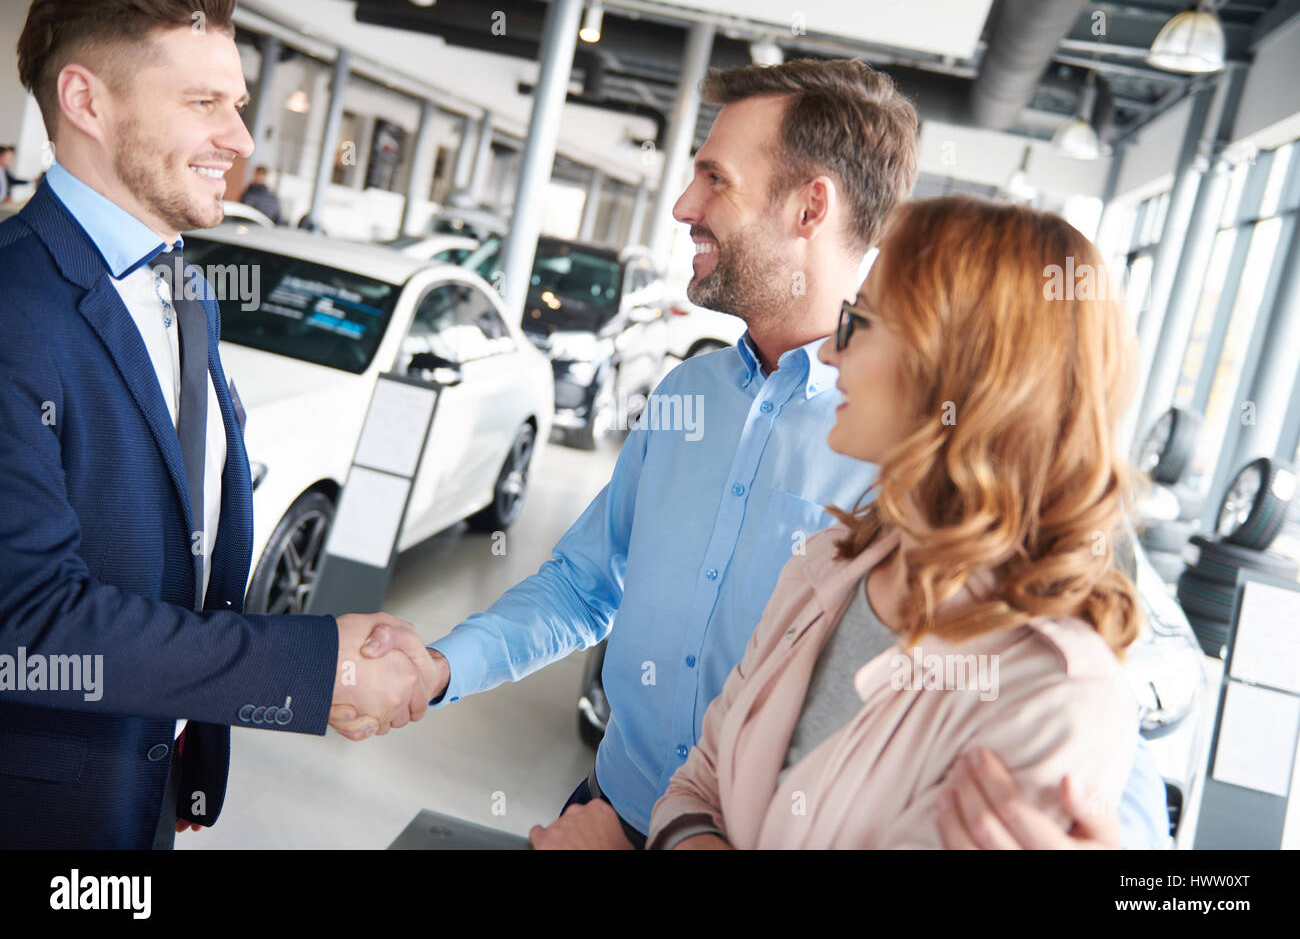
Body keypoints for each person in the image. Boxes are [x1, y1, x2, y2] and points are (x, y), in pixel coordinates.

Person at [361, 58, 1167, 848]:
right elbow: (585, 581)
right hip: (617, 809)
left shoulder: (935, 455)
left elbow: (1088, 735)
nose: (683, 205)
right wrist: (441, 666)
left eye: (715, 179)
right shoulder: (693, 401)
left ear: (810, 207)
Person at [0, 0, 435, 850]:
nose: (238, 140)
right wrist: (321, 667)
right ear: (86, 99)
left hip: (147, 789)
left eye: (235, 104)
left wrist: (186, 767)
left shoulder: (187, 291)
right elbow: (29, 620)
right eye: (203, 103)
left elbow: (186, 544)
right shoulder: (15, 307)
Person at [640, 197, 1142, 849]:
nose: (826, 352)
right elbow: (695, 789)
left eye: (859, 322)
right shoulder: (829, 564)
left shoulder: (1055, 693)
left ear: (963, 367)